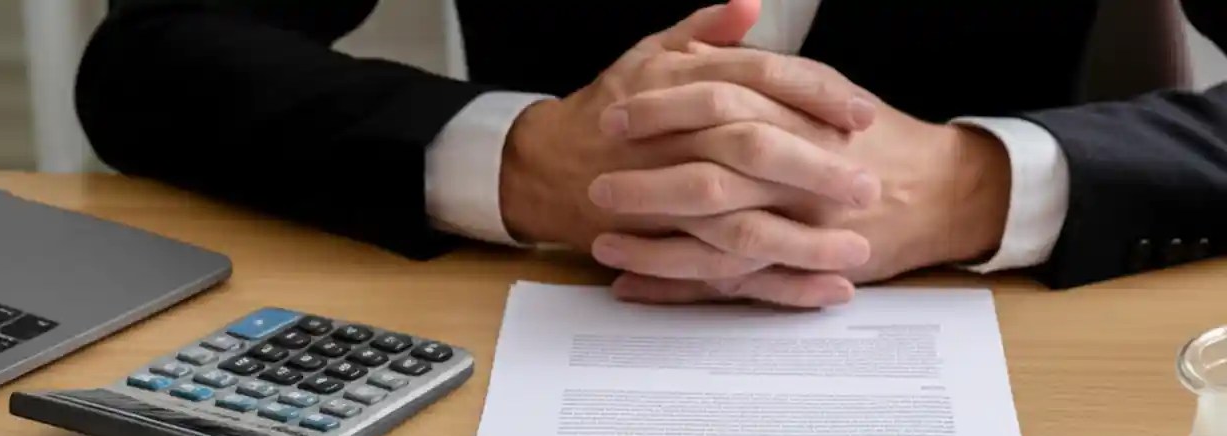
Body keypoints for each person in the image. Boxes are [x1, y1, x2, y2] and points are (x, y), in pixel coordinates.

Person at [74, 1, 1227, 307]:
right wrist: (517, 160)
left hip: (1013, 349)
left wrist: (974, 184)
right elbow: (154, 52)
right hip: (540, 323)